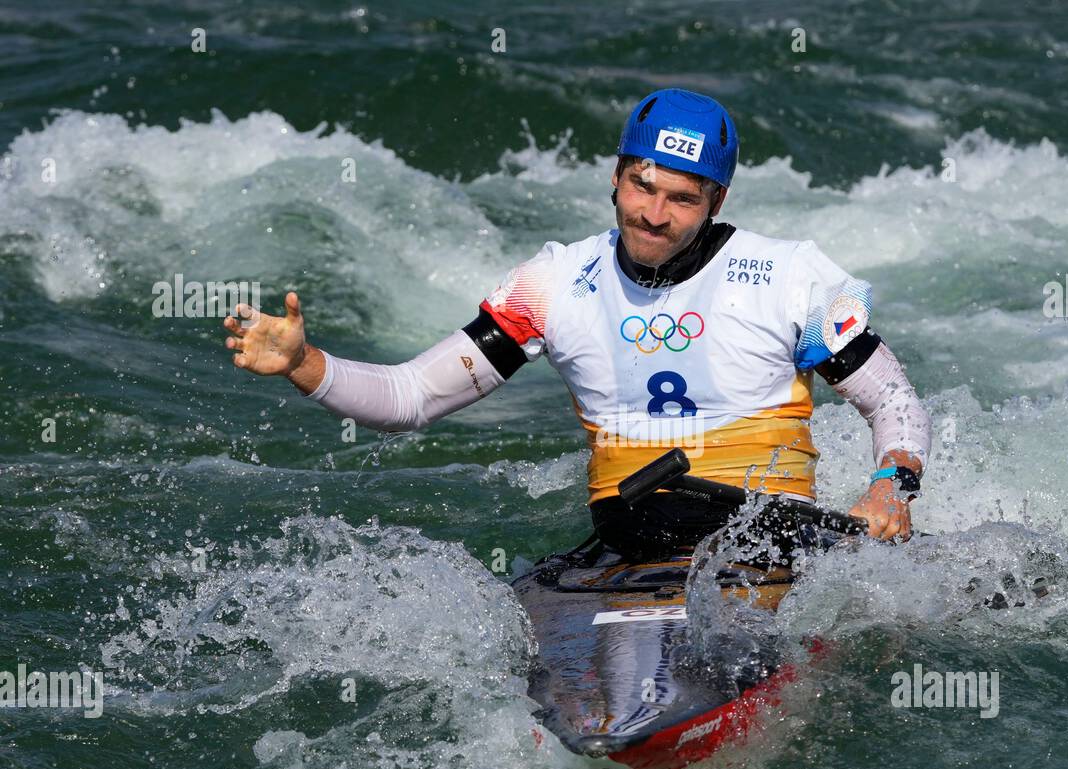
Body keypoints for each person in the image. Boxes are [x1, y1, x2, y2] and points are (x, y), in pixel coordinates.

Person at [222, 88, 931, 562]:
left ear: (715, 199)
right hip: (632, 546)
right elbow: (409, 399)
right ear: (616, 176)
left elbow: (893, 401)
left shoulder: (789, 278)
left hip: (770, 542)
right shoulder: (554, 284)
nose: (654, 213)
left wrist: (886, 489)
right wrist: (305, 363)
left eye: (681, 199)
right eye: (642, 186)